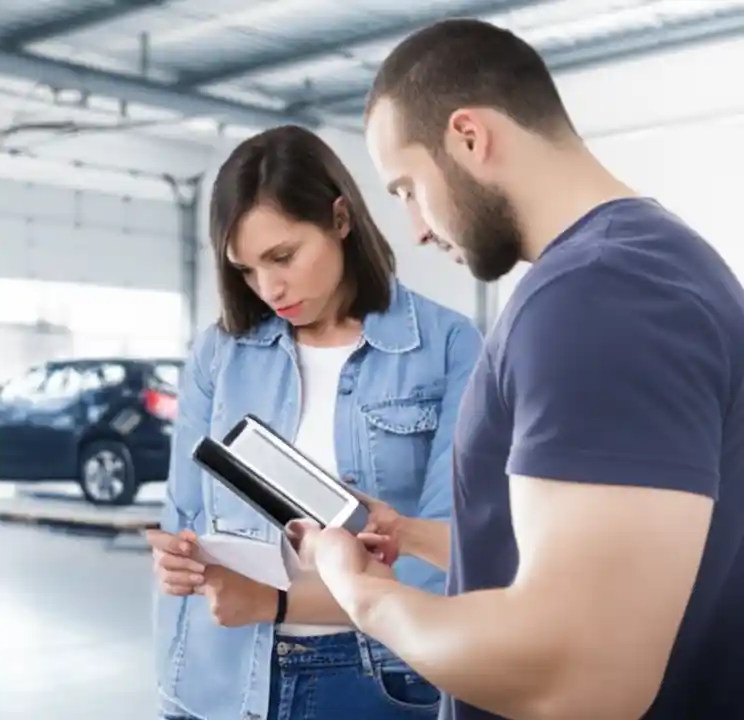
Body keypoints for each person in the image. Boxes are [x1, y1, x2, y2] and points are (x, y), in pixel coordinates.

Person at [289, 18, 744, 720]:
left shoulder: (598, 293)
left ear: (469, 137)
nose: (416, 228)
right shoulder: (645, 266)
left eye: (407, 188)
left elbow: (578, 674)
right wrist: (409, 535)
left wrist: (360, 594)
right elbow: (589, 556)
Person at [147, 125, 482, 720]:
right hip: (224, 682)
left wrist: (276, 602)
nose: (268, 288)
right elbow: (187, 523)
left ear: (340, 218)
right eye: (246, 270)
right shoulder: (218, 354)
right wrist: (178, 563)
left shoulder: (448, 346)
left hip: (379, 681)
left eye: (282, 257)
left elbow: (445, 562)